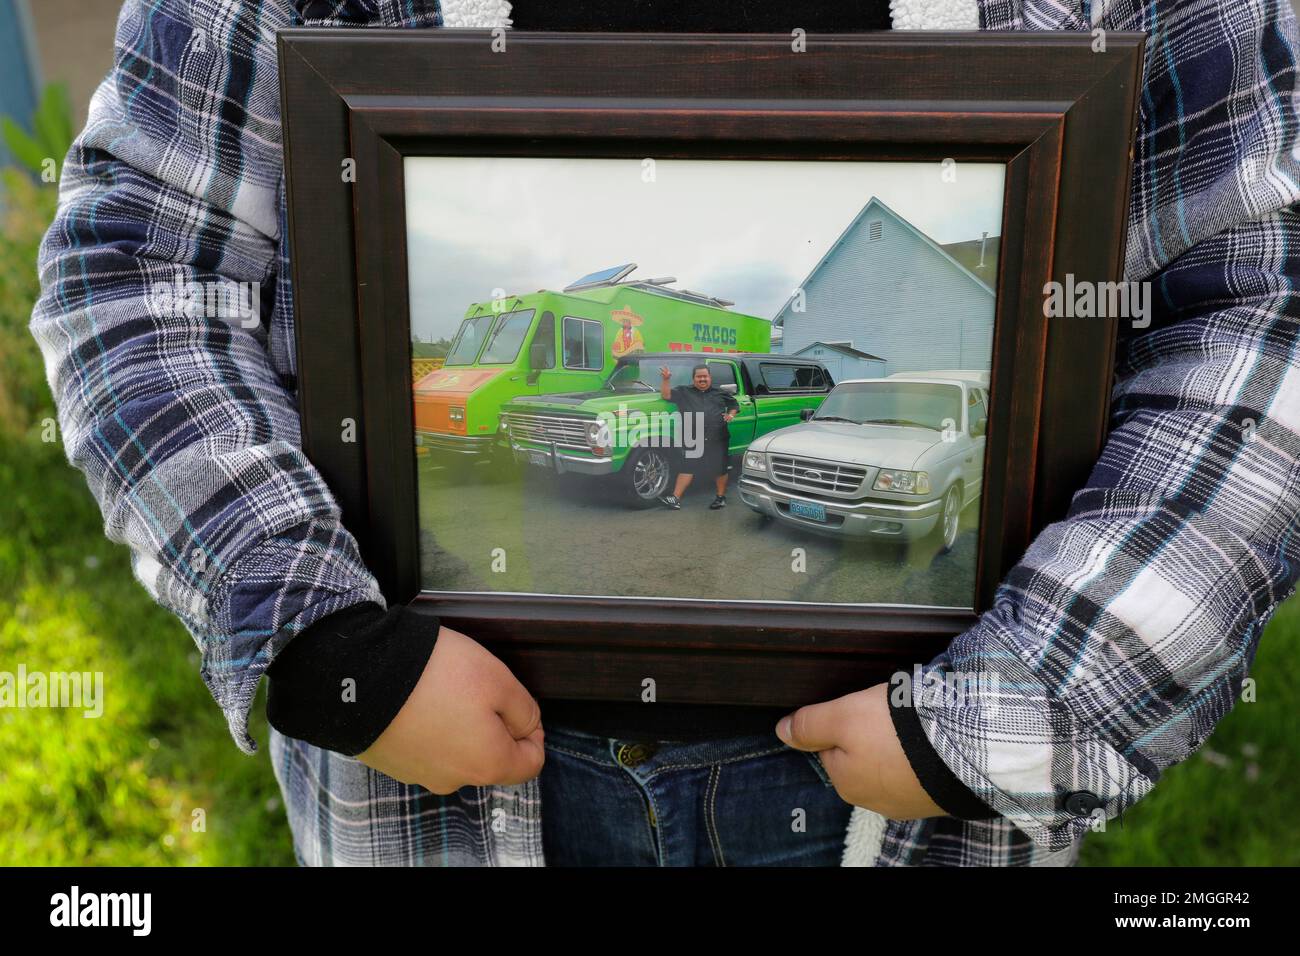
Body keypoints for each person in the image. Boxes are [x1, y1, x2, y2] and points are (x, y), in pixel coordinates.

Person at [28, 0, 1300, 867]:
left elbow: (1259, 303)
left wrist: (1033, 700)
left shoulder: (753, 393)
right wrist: (316, 640)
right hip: (428, 784)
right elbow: (144, 267)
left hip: (931, 798)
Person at [658, 363, 739, 510]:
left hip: (718, 436)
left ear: (710, 377)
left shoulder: (719, 392)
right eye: (699, 377)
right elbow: (666, 395)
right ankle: (675, 498)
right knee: (687, 466)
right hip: (693, 437)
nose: (702, 379)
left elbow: (734, 404)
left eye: (705, 376)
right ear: (693, 378)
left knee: (720, 468)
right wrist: (666, 379)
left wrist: (731, 415)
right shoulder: (684, 391)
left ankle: (720, 497)